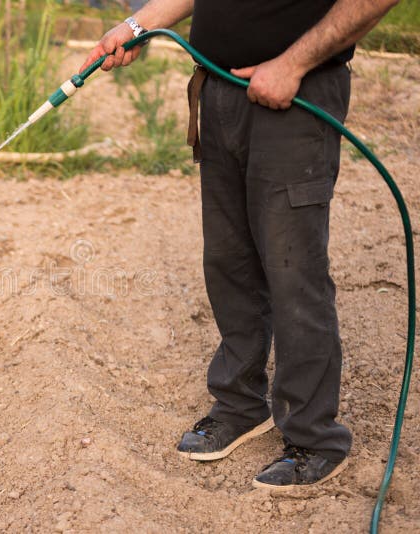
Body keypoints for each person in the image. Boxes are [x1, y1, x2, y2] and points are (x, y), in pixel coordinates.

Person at [81, 0, 400, 489]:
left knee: (293, 269)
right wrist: (134, 26)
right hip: (218, 91)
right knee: (228, 261)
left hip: (296, 94)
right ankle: (240, 404)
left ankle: (314, 436)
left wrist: (292, 64)